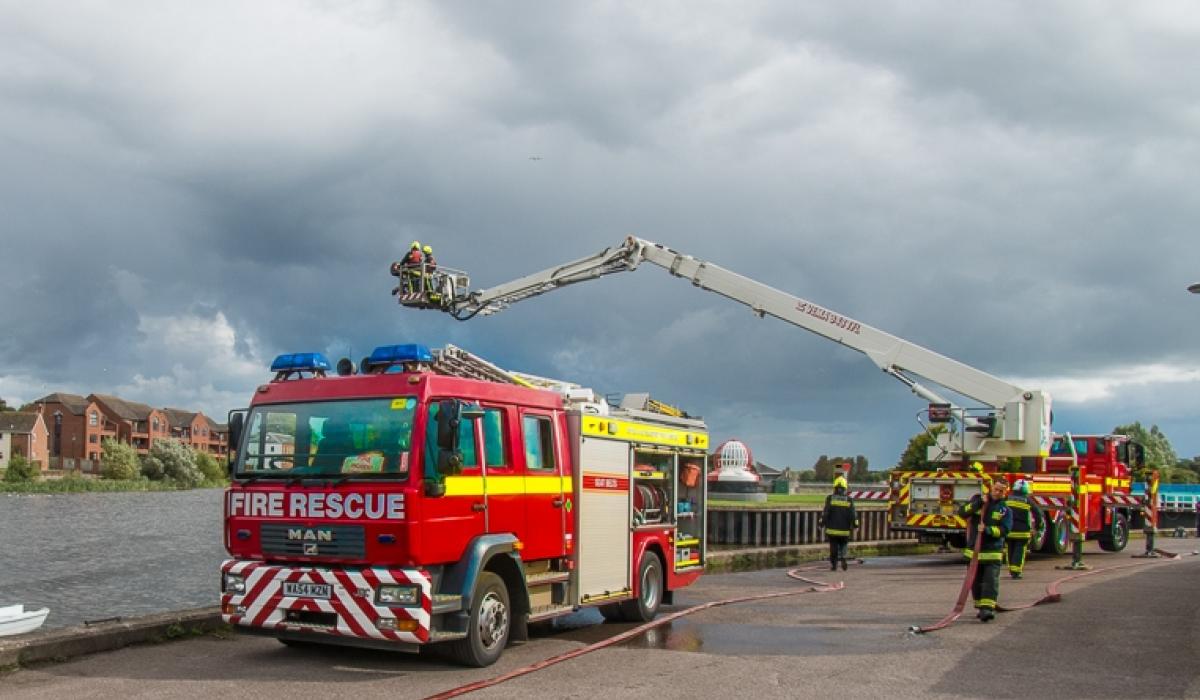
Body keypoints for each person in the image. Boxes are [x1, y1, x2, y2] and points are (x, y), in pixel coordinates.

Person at [958, 479, 1012, 621]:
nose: (998, 492)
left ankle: (987, 609)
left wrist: (987, 530)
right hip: (974, 553)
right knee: (975, 582)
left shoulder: (1005, 509)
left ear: (1006, 492)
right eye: (996, 489)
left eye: (1002, 491)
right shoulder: (978, 501)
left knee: (990, 582)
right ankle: (980, 606)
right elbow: (962, 512)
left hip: (992, 553)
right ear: (991, 487)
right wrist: (979, 503)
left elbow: (1005, 530)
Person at [820, 475, 859, 571]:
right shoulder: (849, 500)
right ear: (845, 488)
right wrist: (856, 525)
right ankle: (844, 557)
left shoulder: (830, 498)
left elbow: (826, 513)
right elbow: (853, 514)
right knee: (844, 544)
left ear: (835, 487)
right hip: (844, 530)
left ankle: (834, 566)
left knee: (833, 547)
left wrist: (821, 524)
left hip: (832, 530)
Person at [1004, 480, 1033, 578]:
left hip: (1009, 531)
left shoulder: (1007, 498)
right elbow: (1038, 514)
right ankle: (1016, 572)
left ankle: (1011, 570)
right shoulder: (1027, 500)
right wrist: (1039, 526)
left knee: (1010, 549)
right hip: (1022, 532)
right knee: (1019, 551)